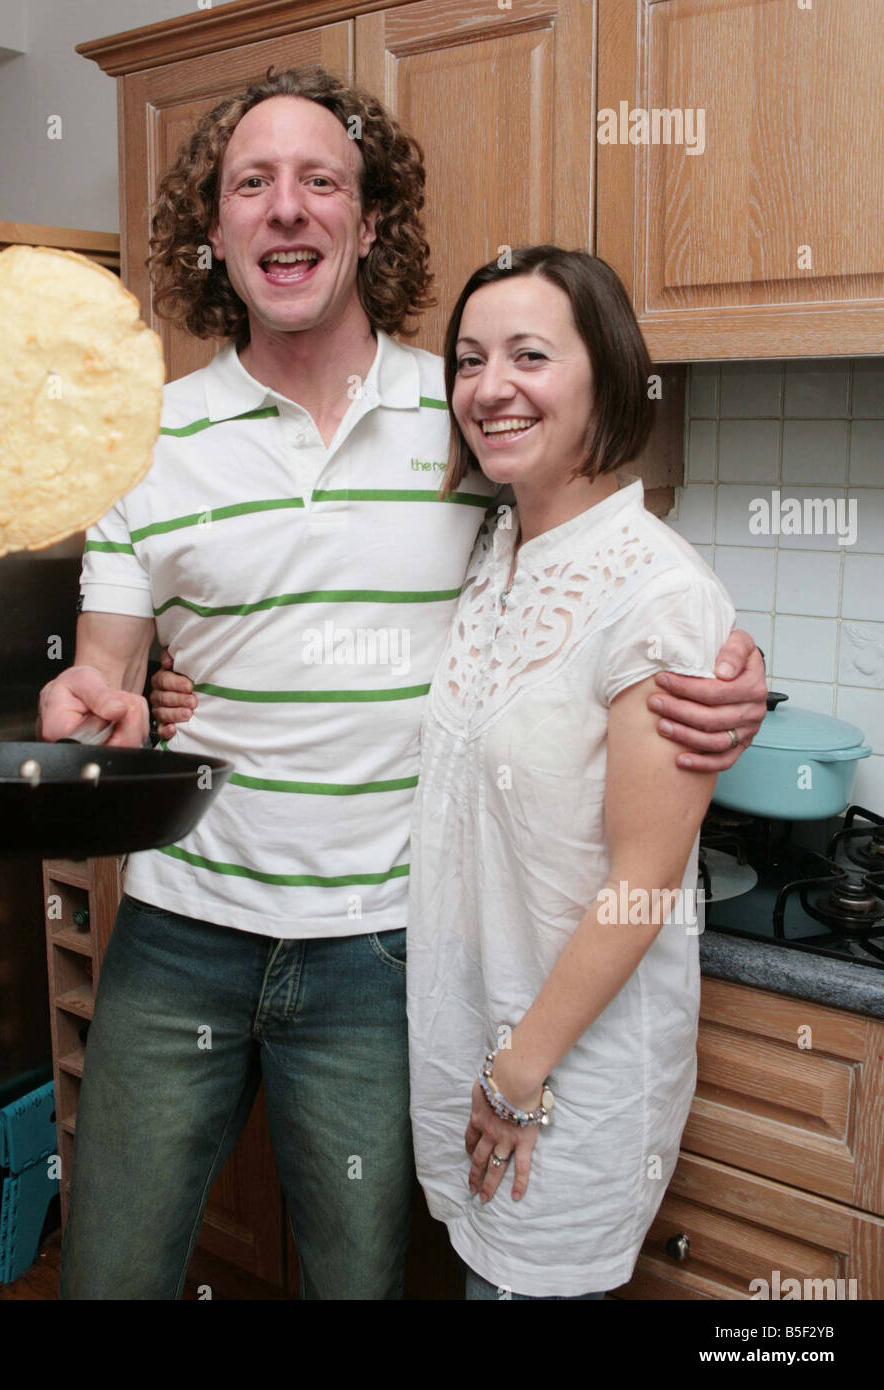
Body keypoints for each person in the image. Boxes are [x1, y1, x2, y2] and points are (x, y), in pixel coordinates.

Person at [41, 67, 766, 1300]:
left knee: (359, 1283)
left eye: (320, 180)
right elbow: (107, 670)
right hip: (180, 931)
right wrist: (95, 706)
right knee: (110, 1272)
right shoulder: (143, 442)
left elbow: (600, 570)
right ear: (213, 233)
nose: (286, 208)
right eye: (250, 185)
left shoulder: (466, 418)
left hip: (382, 957)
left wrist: (731, 678)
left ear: (367, 225)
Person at [404, 245, 736, 1301]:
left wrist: (518, 1073)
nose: (490, 386)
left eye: (530, 355)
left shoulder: (655, 594)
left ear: (608, 372)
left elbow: (645, 877)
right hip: (479, 1046)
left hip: (561, 1078)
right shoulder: (490, 553)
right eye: (468, 359)